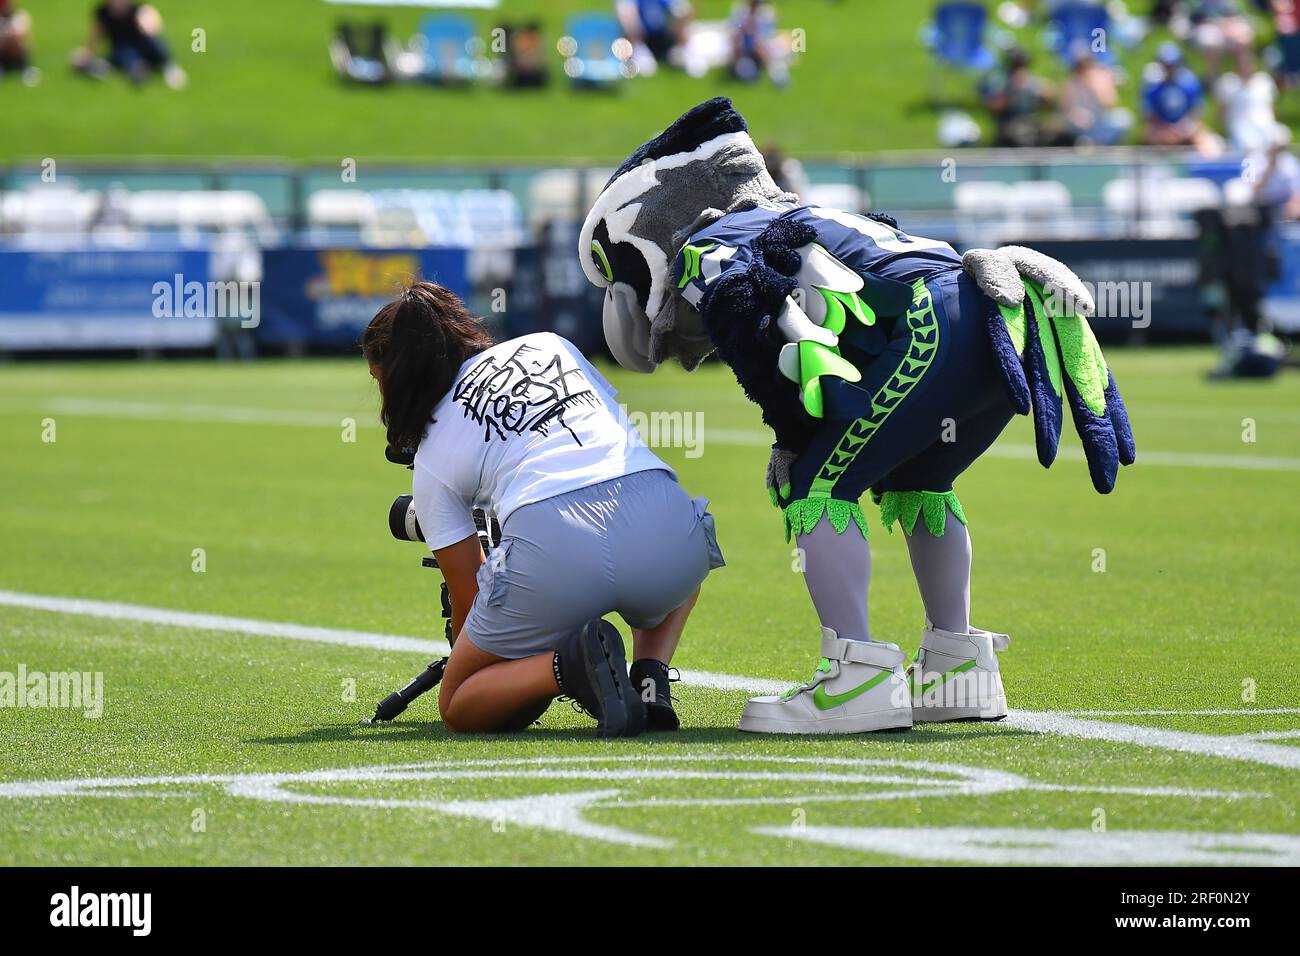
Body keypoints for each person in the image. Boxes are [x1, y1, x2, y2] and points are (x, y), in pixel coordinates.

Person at [580, 98, 1134, 734]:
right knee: (920, 482)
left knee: (816, 484)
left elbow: (749, 322)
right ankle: (957, 666)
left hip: (932, 325)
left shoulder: (708, 242)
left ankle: (857, 678)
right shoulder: (798, 211)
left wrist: (791, 437)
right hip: (991, 322)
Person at [362, 281, 723, 737]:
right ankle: (650, 678)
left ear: (397, 377)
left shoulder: (431, 459)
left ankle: (572, 667)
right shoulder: (550, 344)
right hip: (669, 527)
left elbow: (469, 598)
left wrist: (501, 659)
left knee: (459, 702)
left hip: (558, 551)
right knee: (682, 542)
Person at [70, 0, 186, 89]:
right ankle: (138, 70)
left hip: (144, 44)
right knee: (126, 54)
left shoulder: (139, 10)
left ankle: (169, 67)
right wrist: (86, 53)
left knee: (155, 45)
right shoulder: (103, 12)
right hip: (122, 48)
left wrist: (147, 24)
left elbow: (154, 28)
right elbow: (96, 36)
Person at [1141, 42, 1220, 153]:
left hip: (1185, 128)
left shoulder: (1190, 84)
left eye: (1173, 65)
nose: (1170, 69)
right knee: (1150, 134)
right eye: (1167, 65)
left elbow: (1196, 114)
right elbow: (1149, 117)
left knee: (1206, 140)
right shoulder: (1153, 88)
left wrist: (1181, 130)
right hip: (1162, 130)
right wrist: (1166, 131)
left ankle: (1210, 167)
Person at [980, 47, 1063, 147]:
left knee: (1055, 130)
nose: (1020, 68)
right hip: (1009, 124)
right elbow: (993, 106)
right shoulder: (1001, 80)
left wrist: (1042, 93)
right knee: (1020, 135)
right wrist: (1012, 92)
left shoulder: (1031, 80)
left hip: (1031, 122)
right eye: (1017, 65)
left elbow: (1048, 100)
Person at [1061, 48, 1133, 145]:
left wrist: (1095, 88)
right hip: (1082, 126)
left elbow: (1109, 103)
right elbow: (1067, 109)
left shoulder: (1101, 79)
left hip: (1101, 121)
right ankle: (1087, 142)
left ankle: (1105, 145)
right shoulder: (1071, 83)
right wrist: (1078, 116)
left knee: (1125, 117)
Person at [1215, 49, 1281, 151]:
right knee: (1249, 146)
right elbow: (1222, 111)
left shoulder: (1264, 81)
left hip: (1265, 124)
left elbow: (1272, 107)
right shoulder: (1228, 83)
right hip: (1240, 126)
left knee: (1280, 140)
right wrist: (1223, 130)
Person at [0, 0, 38, 85]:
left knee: (14, 37)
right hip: (2, 53)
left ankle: (23, 68)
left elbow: (22, 33)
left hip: (17, 53)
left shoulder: (19, 16)